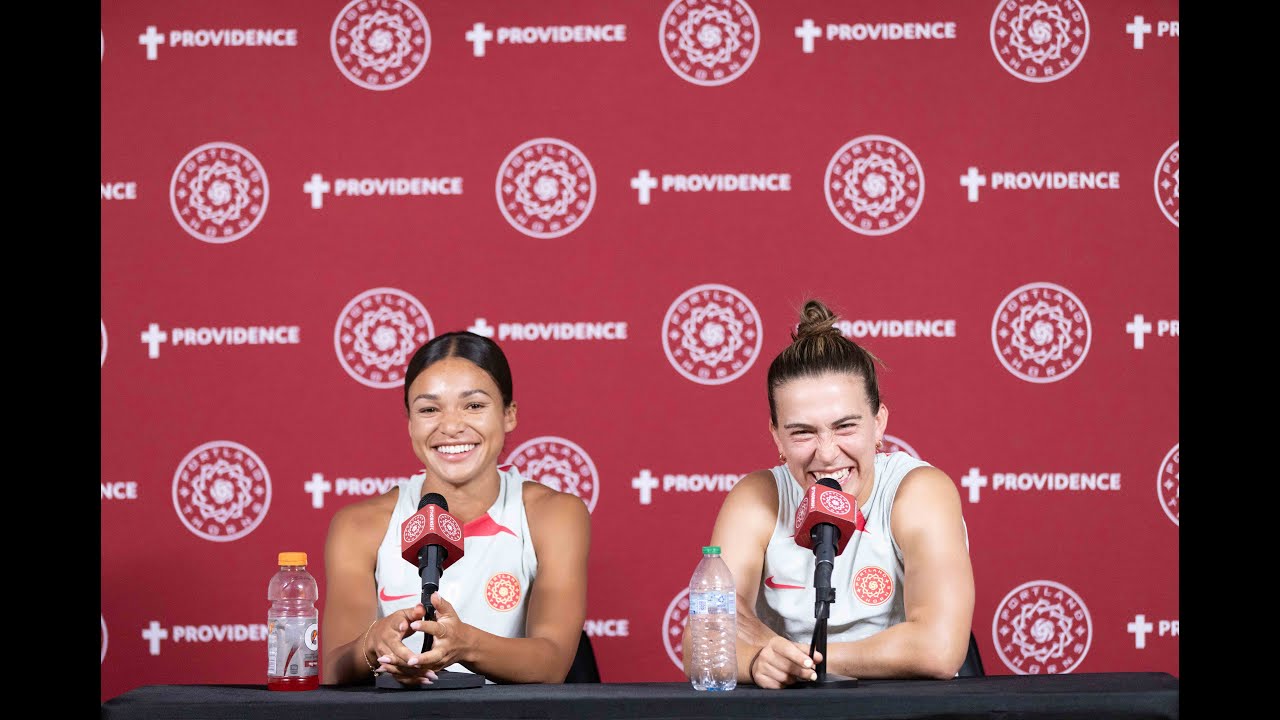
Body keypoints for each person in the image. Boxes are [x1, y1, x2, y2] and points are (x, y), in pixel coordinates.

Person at [684, 299, 974, 688]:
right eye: (802, 432)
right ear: (777, 437)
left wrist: (794, 658)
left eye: (845, 427)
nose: (826, 452)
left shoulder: (918, 491)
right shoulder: (757, 498)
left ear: (878, 423)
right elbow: (702, 645)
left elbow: (938, 649)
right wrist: (756, 663)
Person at [321, 331, 591, 686]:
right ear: (410, 423)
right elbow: (332, 668)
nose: (450, 426)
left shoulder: (554, 515)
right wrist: (372, 645)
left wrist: (466, 646)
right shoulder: (359, 525)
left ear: (509, 415)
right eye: (429, 409)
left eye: (474, 405)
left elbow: (552, 662)